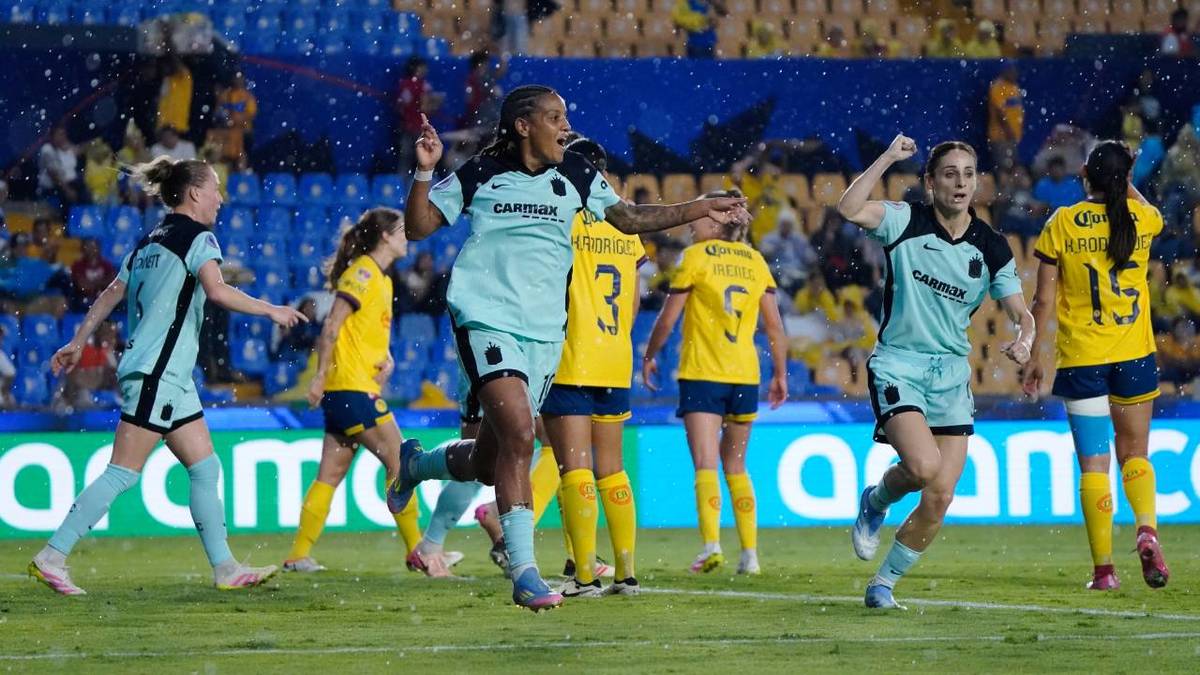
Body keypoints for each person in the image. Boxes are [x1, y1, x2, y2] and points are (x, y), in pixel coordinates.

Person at [387, 85, 749, 611]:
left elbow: (628, 219)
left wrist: (697, 206)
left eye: (565, 117)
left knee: (492, 462)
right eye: (554, 117)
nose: (564, 126)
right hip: (484, 318)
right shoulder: (481, 173)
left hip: (543, 333)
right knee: (518, 436)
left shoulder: (577, 175)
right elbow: (419, 228)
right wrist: (425, 171)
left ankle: (417, 464)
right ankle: (526, 573)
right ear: (522, 125)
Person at [30, 155, 306, 595]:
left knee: (205, 467)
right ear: (195, 192)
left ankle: (225, 568)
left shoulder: (149, 241)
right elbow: (216, 290)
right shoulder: (199, 237)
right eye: (215, 187)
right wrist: (270, 308)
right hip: (158, 372)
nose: (220, 197)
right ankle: (52, 556)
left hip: (168, 375)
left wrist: (79, 340)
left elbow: (110, 294)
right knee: (123, 471)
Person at [840, 135, 1033, 609]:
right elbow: (848, 208)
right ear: (929, 182)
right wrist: (886, 156)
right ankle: (876, 501)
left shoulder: (990, 246)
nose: (961, 183)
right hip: (898, 364)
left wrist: (1025, 339)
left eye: (968, 174)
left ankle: (883, 585)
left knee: (941, 494)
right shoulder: (905, 221)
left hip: (950, 375)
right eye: (949, 173)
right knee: (924, 468)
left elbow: (1020, 312)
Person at [1022, 140, 1170, 591]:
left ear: (1082, 173)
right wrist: (1126, 179)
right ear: (1125, 179)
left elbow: (1044, 299)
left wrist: (1032, 353)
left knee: (1094, 466)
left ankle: (1104, 571)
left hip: (1083, 358)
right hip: (1133, 354)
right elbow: (1141, 204)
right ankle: (1146, 528)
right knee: (1135, 456)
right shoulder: (1143, 219)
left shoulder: (1062, 223)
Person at [642, 190, 787, 575]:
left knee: (706, 464)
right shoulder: (756, 262)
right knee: (736, 466)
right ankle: (751, 555)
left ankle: (710, 546)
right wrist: (781, 374)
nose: (691, 229)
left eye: (696, 222)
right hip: (745, 374)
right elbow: (774, 326)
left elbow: (669, 319)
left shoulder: (696, 258)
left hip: (703, 372)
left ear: (717, 221)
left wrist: (649, 354)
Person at [284, 208, 427, 574]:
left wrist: (387, 357)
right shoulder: (362, 273)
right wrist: (319, 378)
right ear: (385, 237)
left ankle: (298, 555)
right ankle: (420, 553)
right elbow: (331, 326)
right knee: (401, 464)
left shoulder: (382, 278)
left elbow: (361, 330)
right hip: (352, 389)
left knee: (329, 475)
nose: (407, 237)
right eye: (401, 232)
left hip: (348, 390)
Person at [537, 137, 646, 597]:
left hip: (570, 355)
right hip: (614, 356)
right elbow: (637, 299)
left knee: (574, 469)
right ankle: (626, 573)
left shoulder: (560, 216)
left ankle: (583, 575)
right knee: (613, 469)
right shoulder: (625, 224)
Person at [987, 64, 1023, 172]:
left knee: (1013, 168)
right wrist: (1008, 130)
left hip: (1012, 136)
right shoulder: (998, 87)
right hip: (1001, 136)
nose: (1014, 73)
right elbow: (999, 112)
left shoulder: (1014, 86)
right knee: (1004, 169)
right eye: (1011, 70)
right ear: (1005, 71)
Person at [37, 126, 83, 206]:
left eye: (63, 135)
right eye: (59, 135)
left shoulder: (61, 149)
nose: (62, 137)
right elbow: (54, 175)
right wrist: (68, 190)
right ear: (52, 137)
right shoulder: (47, 150)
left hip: (65, 186)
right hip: (51, 190)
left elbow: (78, 150)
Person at [70, 237, 116, 311]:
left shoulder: (106, 265)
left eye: (94, 246)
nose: (92, 249)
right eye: (89, 246)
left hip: (104, 296)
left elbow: (113, 283)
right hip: (84, 298)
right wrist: (101, 283)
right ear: (84, 248)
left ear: (99, 248)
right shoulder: (77, 265)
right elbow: (83, 287)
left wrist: (92, 283)